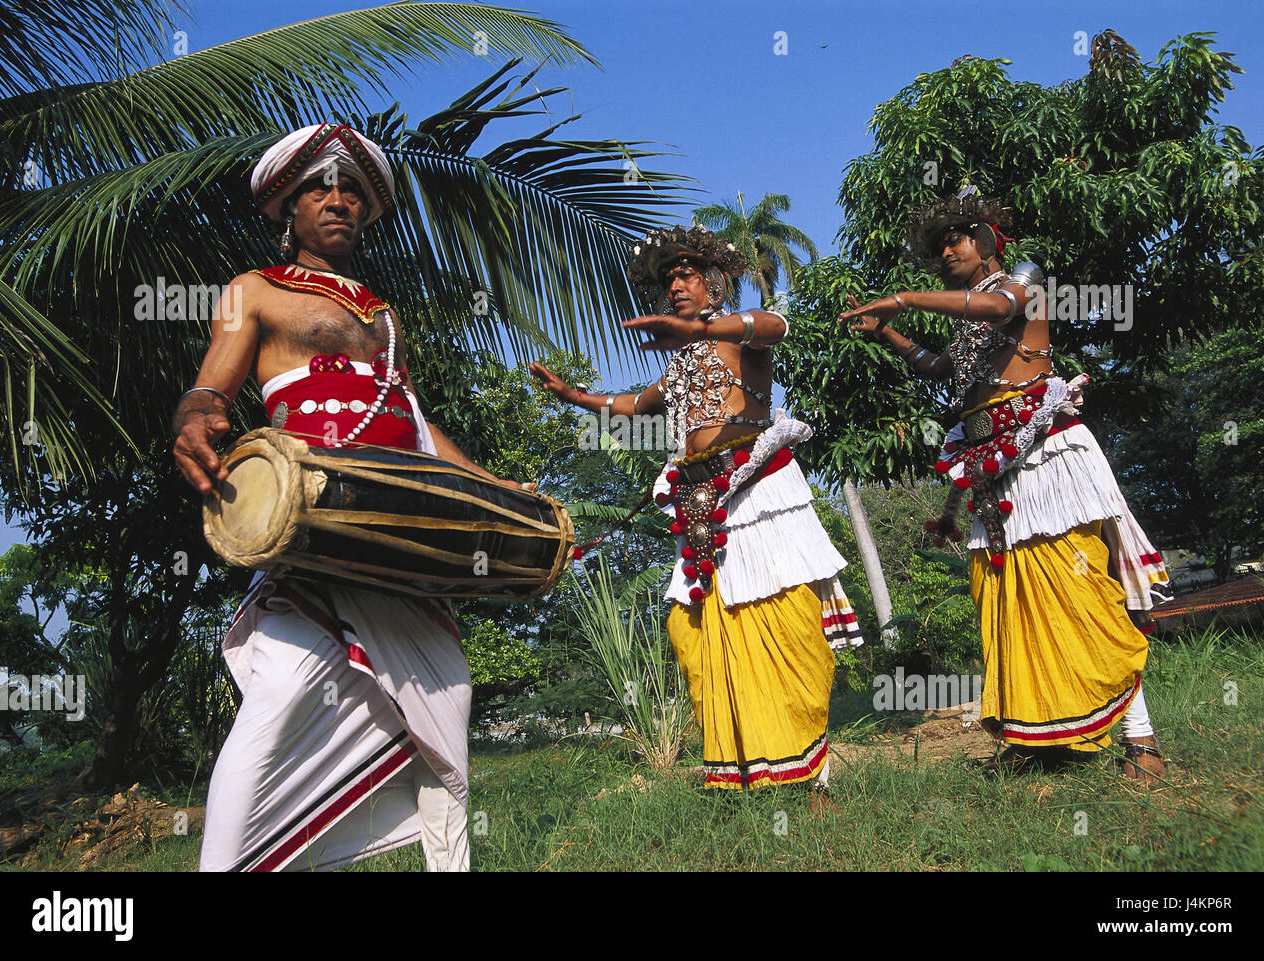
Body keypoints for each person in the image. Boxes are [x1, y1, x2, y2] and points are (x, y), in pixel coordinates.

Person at [173, 123, 517, 871]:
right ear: (284, 209)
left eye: (353, 190)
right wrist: (196, 412)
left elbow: (416, 420)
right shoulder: (254, 290)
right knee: (278, 703)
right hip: (319, 524)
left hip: (400, 528)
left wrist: (491, 488)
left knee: (446, 705)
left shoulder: (383, 312)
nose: (338, 201)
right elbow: (211, 381)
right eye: (319, 188)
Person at [840, 189, 1169, 782]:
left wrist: (905, 299)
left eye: (955, 241)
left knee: (1081, 596)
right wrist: (886, 333)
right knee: (1008, 604)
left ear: (987, 241)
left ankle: (1139, 739)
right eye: (937, 248)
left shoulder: (1022, 281)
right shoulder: (969, 320)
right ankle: (1041, 736)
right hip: (992, 471)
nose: (945, 253)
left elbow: (995, 309)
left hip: (1047, 459)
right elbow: (943, 368)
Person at [530, 225, 862, 795]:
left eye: (686, 275)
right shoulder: (681, 364)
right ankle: (753, 768)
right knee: (692, 631)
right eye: (668, 281)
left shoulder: (739, 337)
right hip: (701, 503)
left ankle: (815, 779)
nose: (676, 287)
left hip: (758, 492)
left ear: (713, 282)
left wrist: (700, 327)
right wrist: (571, 397)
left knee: (783, 627)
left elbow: (775, 325)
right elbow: (633, 404)